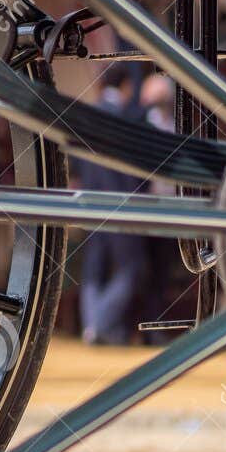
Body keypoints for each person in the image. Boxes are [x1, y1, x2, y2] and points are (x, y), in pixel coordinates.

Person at [78, 62, 149, 345]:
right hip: (120, 202)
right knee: (130, 268)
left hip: (91, 201)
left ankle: (92, 325)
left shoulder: (89, 113)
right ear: (127, 86)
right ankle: (100, 324)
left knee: (94, 269)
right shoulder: (122, 117)